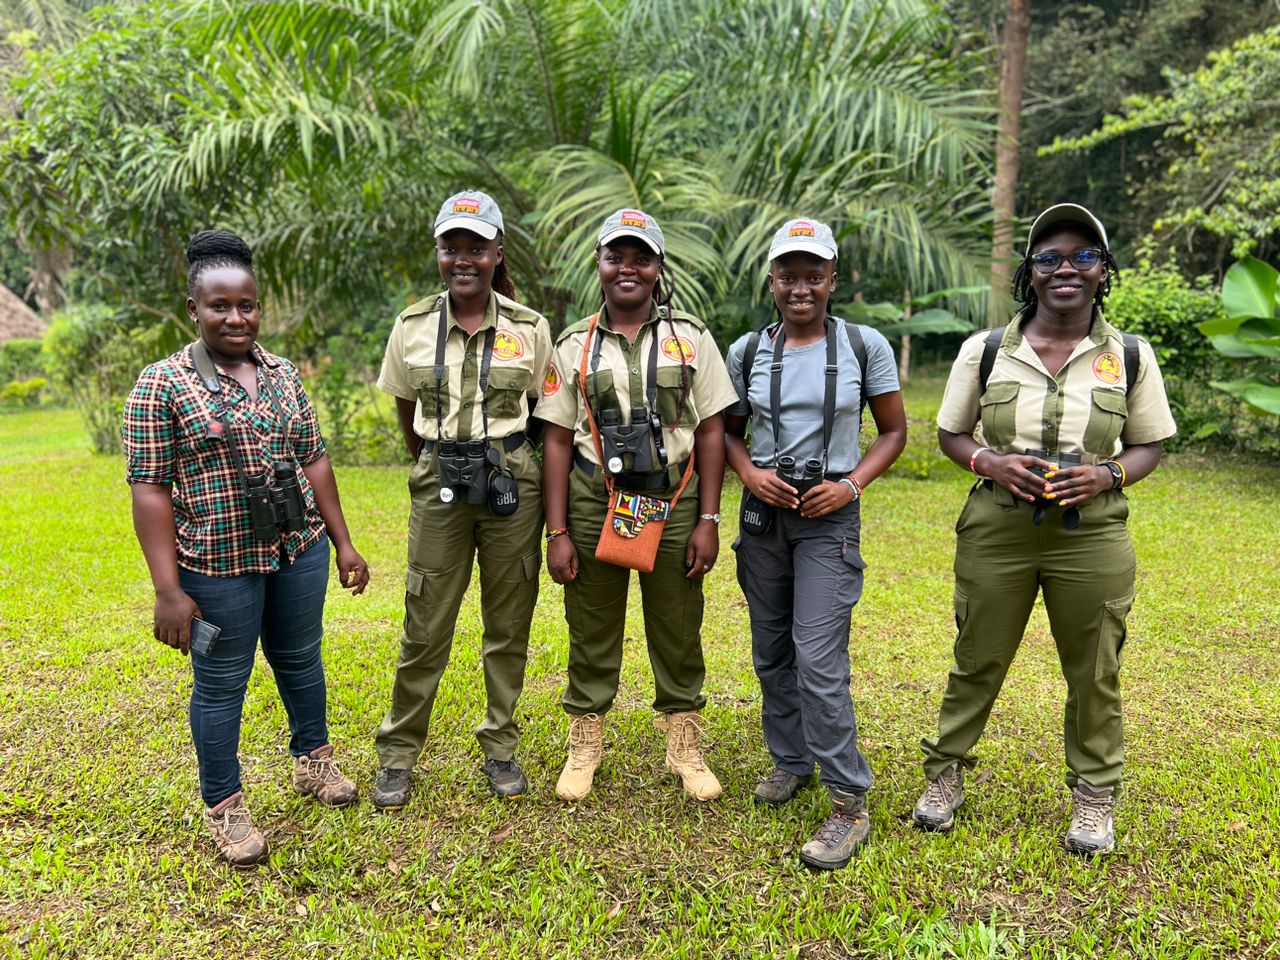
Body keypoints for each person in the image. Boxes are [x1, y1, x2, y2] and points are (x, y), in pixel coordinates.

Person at [912, 203, 1176, 855]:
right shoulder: (984, 351)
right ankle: (946, 773)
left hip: (1092, 534)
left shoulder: (1129, 356)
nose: (1066, 269)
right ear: (1029, 273)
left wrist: (1107, 475)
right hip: (997, 527)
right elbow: (951, 434)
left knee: (1095, 669)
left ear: (1103, 271)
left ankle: (1094, 793)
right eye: (1049, 258)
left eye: (1083, 256)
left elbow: (1149, 444)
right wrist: (992, 462)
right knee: (977, 658)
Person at [124, 230, 369, 868]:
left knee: (301, 658)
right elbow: (149, 490)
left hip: (299, 550)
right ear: (194, 309)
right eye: (220, 306)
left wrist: (343, 543)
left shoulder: (283, 374)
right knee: (221, 683)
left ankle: (313, 760)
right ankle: (224, 805)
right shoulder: (162, 385)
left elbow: (314, 459)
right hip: (217, 565)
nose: (236, 317)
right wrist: (167, 589)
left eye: (247, 305)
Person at [724, 218, 907, 871]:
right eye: (787, 275)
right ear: (771, 281)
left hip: (829, 516)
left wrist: (850, 485)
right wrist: (750, 476)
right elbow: (729, 432)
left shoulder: (862, 345)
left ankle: (848, 802)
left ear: (833, 279)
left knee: (818, 656)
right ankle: (791, 760)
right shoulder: (748, 350)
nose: (800, 287)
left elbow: (892, 432)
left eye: (813, 275)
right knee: (772, 650)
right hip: (764, 515)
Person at [537, 208, 739, 803]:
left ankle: (685, 745)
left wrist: (708, 519)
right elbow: (555, 439)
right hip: (594, 498)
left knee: (678, 624)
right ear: (598, 264)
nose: (628, 268)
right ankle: (585, 743)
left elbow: (711, 431)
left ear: (658, 268)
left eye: (641, 258)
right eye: (615, 257)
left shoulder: (691, 339)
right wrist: (556, 531)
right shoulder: (573, 345)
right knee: (591, 623)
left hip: (673, 498)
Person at [371, 190, 552, 808]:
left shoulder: (530, 328)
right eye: (452, 247)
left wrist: (506, 459)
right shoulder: (412, 326)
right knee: (425, 623)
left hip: (511, 483)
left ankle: (500, 745)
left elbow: (544, 412)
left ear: (498, 253)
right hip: (440, 481)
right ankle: (399, 752)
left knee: (508, 623)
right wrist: (435, 457)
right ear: (439, 253)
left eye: (477, 247)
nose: (463, 259)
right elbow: (406, 409)